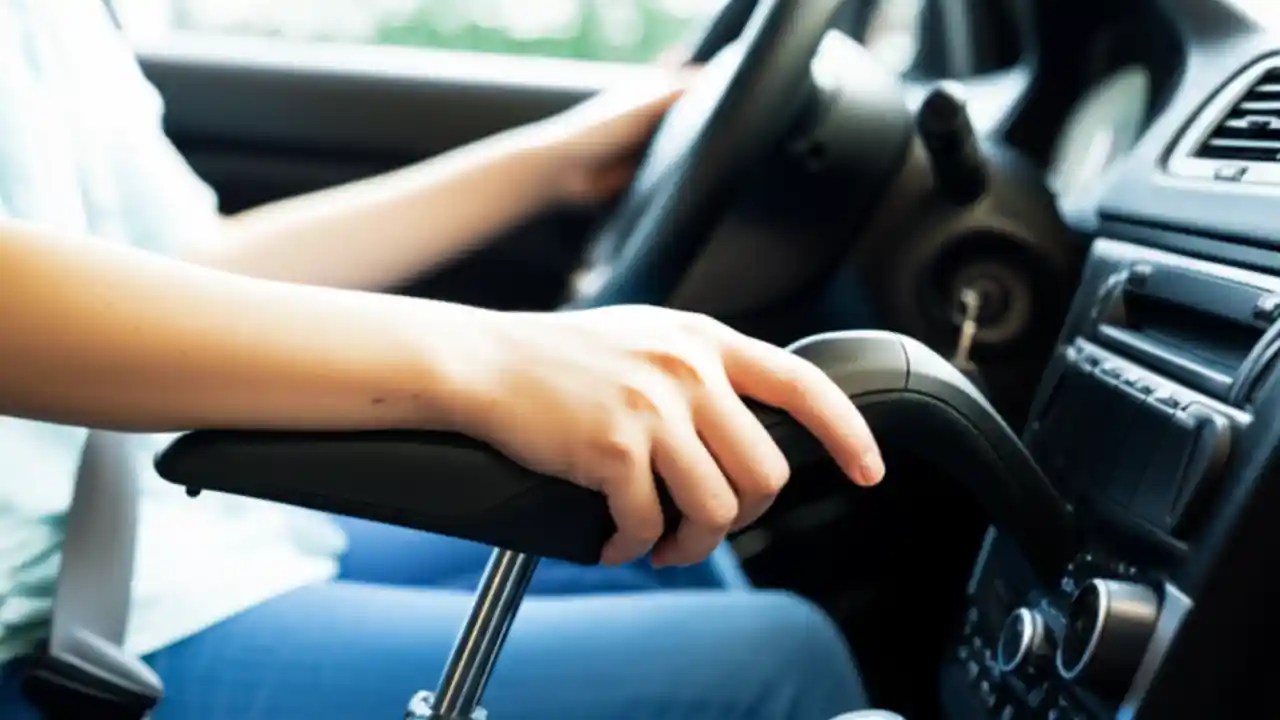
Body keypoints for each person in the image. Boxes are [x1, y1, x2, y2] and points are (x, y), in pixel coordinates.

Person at [0, 2, 887, 718]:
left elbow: (174, 271)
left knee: (655, 527)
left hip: (122, 517)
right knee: (778, 666)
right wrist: (491, 362)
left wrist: (553, 159)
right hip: (45, 622)